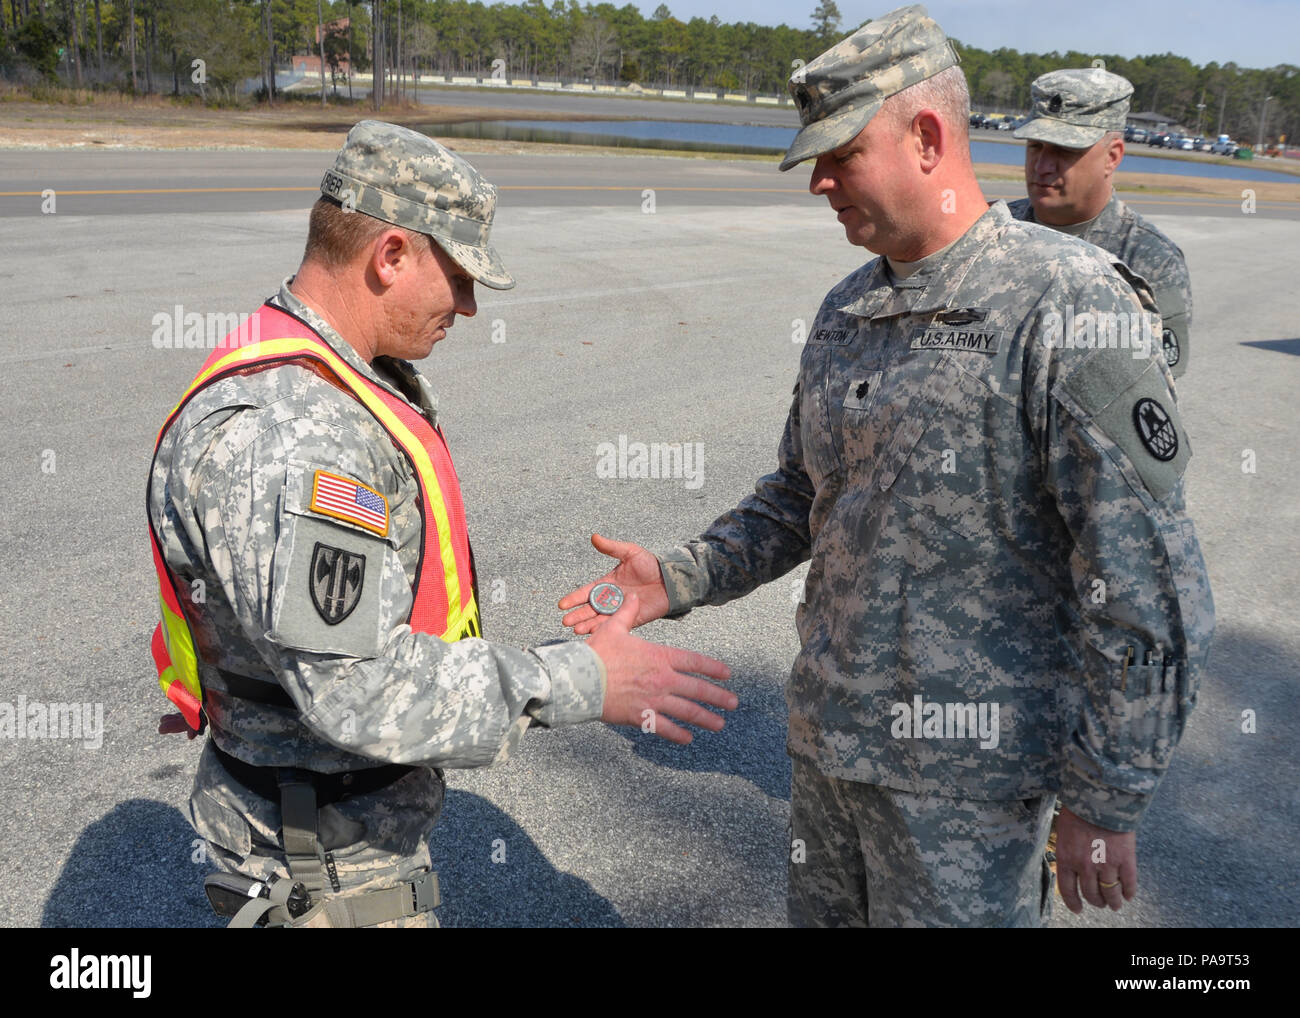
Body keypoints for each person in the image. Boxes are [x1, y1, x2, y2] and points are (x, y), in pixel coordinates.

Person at [560, 5, 1214, 927]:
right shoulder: (847, 308)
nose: (819, 181)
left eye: (840, 153)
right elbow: (800, 496)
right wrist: (675, 577)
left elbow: (1149, 581)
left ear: (928, 136)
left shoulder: (1065, 302)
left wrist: (1107, 799)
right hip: (831, 754)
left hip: (968, 789)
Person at [147, 120, 736, 928]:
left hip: (326, 829)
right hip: (321, 865)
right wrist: (580, 679)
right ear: (390, 255)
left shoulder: (326, 377)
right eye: (458, 276)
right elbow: (358, 688)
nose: (464, 305)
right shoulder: (298, 435)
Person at [1008, 68, 1194, 377]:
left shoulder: (1150, 261)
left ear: (1112, 157)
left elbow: (1154, 381)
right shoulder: (996, 230)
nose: (1042, 166)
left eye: (1064, 151)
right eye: (1035, 146)